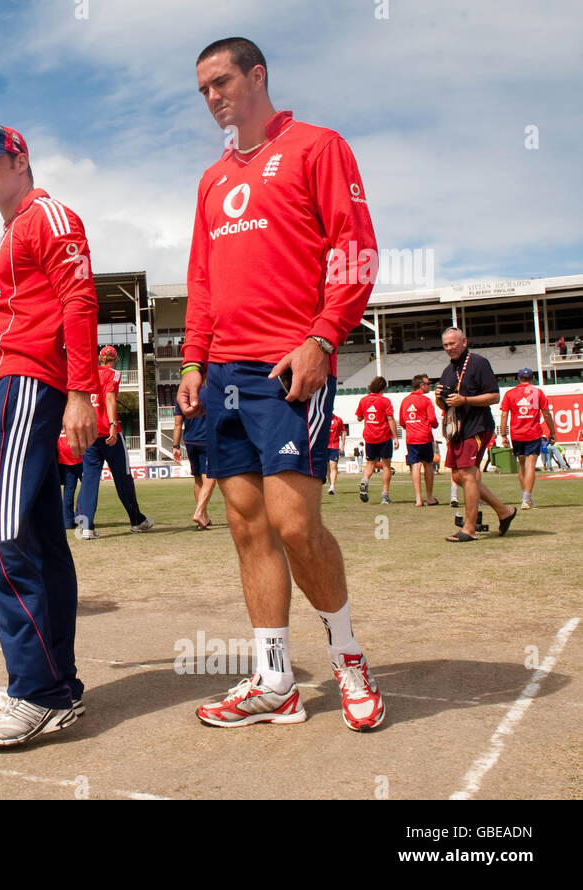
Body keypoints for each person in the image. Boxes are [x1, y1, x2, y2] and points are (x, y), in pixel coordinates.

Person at [180, 38, 385, 731]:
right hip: (224, 374)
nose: (212, 97)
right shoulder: (211, 181)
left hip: (287, 364)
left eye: (222, 82)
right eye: (202, 88)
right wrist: (192, 363)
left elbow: (354, 249)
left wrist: (323, 337)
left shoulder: (317, 147)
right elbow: (203, 283)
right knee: (246, 527)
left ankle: (350, 658)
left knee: (297, 525)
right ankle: (275, 683)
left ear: (257, 75)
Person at [0, 121, 98, 746]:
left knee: (2, 541)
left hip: (27, 383)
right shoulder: (13, 230)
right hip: (13, 384)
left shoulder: (47, 217)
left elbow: (80, 299)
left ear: (20, 160)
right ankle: (56, 685)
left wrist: (82, 390)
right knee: (39, 539)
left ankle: (34, 693)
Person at [435, 327, 516, 542]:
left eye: (452, 343)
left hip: (477, 425)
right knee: (458, 476)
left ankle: (469, 529)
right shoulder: (447, 370)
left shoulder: (478, 363)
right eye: (445, 345)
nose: (449, 348)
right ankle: (504, 511)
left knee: (468, 474)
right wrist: (438, 398)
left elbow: (494, 396)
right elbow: (445, 404)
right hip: (457, 429)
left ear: (464, 341)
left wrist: (466, 400)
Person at [74, 345, 154, 538]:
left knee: (89, 481)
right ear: (115, 359)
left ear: (100, 358)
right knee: (123, 478)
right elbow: (109, 398)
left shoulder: (89, 374)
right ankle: (137, 521)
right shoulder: (113, 375)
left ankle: (86, 527)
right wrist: (112, 424)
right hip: (109, 434)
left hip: (90, 433)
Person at [499, 368, 556, 509]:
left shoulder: (510, 393)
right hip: (533, 432)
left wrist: (503, 435)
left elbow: (504, 415)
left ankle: (525, 497)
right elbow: (547, 415)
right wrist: (553, 432)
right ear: (532, 378)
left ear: (518, 378)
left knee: (522, 464)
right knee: (530, 465)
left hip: (516, 434)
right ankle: (526, 499)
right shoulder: (538, 393)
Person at [173, 391, 216, 528]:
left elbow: (177, 424)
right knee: (210, 479)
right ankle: (199, 512)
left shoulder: (182, 396)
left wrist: (175, 446)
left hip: (190, 441)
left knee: (198, 479)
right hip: (206, 440)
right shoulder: (211, 394)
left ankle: (204, 517)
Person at [355, 376, 399, 504]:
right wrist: (395, 437)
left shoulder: (363, 400)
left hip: (369, 437)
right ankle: (385, 495)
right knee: (386, 466)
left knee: (370, 464)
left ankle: (364, 481)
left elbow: (358, 417)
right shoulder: (385, 401)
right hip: (384, 436)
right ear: (383, 388)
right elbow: (390, 419)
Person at [400, 373, 439, 506]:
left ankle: (418, 499)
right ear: (421, 385)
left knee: (415, 465)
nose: (430, 386)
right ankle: (429, 497)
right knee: (428, 464)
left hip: (411, 438)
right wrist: (434, 425)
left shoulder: (405, 401)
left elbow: (402, 421)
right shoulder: (426, 400)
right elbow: (433, 420)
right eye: (428, 384)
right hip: (425, 436)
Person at [57, 431, 83, 529]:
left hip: (80, 462)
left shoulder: (73, 423)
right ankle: (68, 522)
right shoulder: (58, 426)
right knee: (69, 494)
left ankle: (76, 520)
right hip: (68, 465)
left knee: (84, 491)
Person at [325, 413, 345, 494]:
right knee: (327, 468)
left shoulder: (338, 420)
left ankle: (332, 486)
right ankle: (331, 486)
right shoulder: (323, 418)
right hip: (324, 447)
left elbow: (343, 432)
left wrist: (342, 446)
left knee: (333, 466)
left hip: (334, 446)